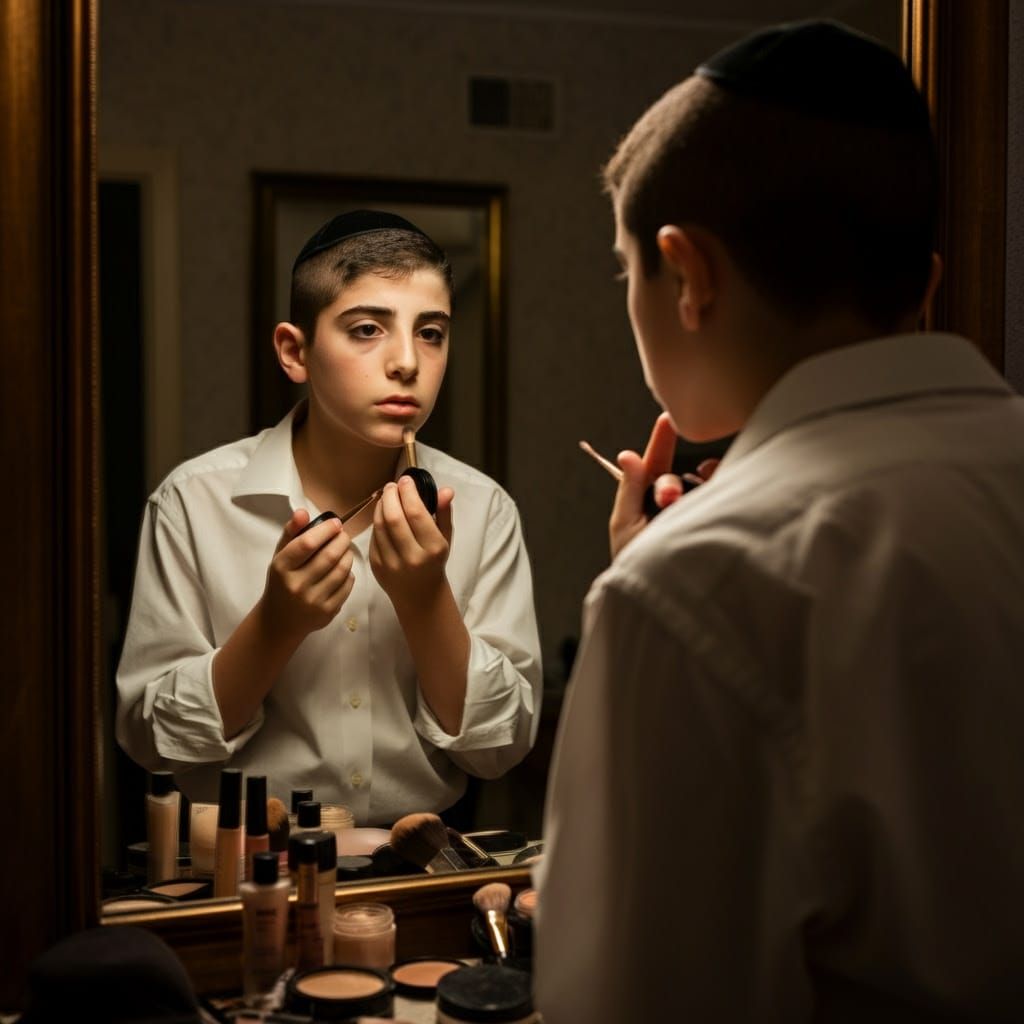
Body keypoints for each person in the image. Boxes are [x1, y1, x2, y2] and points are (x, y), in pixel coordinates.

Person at [536, 21, 1024, 1022]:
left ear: (688, 275)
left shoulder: (691, 594)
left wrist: (667, 595)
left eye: (627, 271)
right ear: (923, 288)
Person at [116, 210, 542, 826]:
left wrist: (425, 603)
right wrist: (275, 626)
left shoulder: (483, 508)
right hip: (245, 873)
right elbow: (152, 741)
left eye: (431, 333)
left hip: (417, 871)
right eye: (367, 329)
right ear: (295, 351)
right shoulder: (193, 502)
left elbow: (498, 751)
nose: (406, 362)